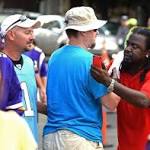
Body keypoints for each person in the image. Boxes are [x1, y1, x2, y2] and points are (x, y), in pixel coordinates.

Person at [43, 6, 120, 150]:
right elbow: (111, 103)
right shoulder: (91, 61)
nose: (97, 33)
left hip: (52, 135)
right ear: (84, 31)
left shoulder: (55, 56)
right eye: (94, 29)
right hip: (80, 138)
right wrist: (116, 82)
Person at [90, 27, 150, 150]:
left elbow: (144, 100)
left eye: (135, 47)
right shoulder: (118, 67)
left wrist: (109, 82)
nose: (128, 49)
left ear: (147, 52)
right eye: (128, 44)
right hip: (123, 145)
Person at [1, 14, 46, 143]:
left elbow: (28, 101)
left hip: (30, 139)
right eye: (27, 32)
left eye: (32, 32)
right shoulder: (1, 64)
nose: (32, 37)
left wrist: (50, 110)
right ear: (11, 35)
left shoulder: (28, 62)